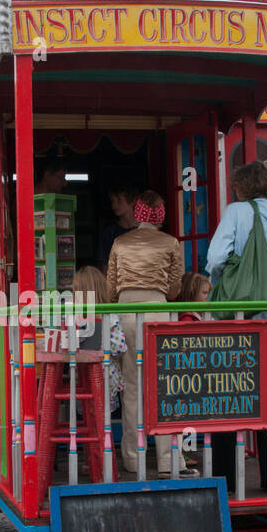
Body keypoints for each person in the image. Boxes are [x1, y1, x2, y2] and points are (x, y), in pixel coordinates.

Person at [206, 160, 267, 492]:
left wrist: (222, 281)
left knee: (227, 401)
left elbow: (216, 258)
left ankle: (226, 479)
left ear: (242, 186)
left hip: (244, 323)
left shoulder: (238, 212)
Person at [106, 190, 188, 477]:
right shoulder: (171, 243)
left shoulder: (120, 242)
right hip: (158, 311)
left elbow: (111, 287)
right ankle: (168, 459)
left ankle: (132, 457)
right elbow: (176, 288)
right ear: (160, 215)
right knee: (164, 386)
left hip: (127, 310)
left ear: (138, 213)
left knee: (132, 386)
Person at [71, 265, 127, 414]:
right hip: (105, 375)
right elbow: (119, 347)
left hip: (83, 376)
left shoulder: (76, 318)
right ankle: (103, 437)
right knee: (103, 418)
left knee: (88, 415)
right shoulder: (110, 316)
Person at [97, 184, 138, 269]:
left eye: (119, 200)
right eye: (112, 201)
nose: (114, 205)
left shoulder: (144, 230)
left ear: (132, 201)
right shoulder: (109, 233)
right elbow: (105, 265)